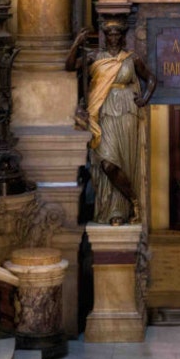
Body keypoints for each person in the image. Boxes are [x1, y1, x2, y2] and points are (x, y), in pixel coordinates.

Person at [67, 21, 157, 224]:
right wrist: (76, 44)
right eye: (110, 35)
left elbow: (151, 79)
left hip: (126, 112)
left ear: (122, 37)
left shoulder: (131, 59)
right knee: (107, 163)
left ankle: (120, 211)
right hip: (103, 111)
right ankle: (131, 200)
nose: (114, 38)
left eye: (117, 35)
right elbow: (70, 66)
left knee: (124, 160)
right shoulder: (94, 57)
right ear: (105, 37)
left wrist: (144, 99)